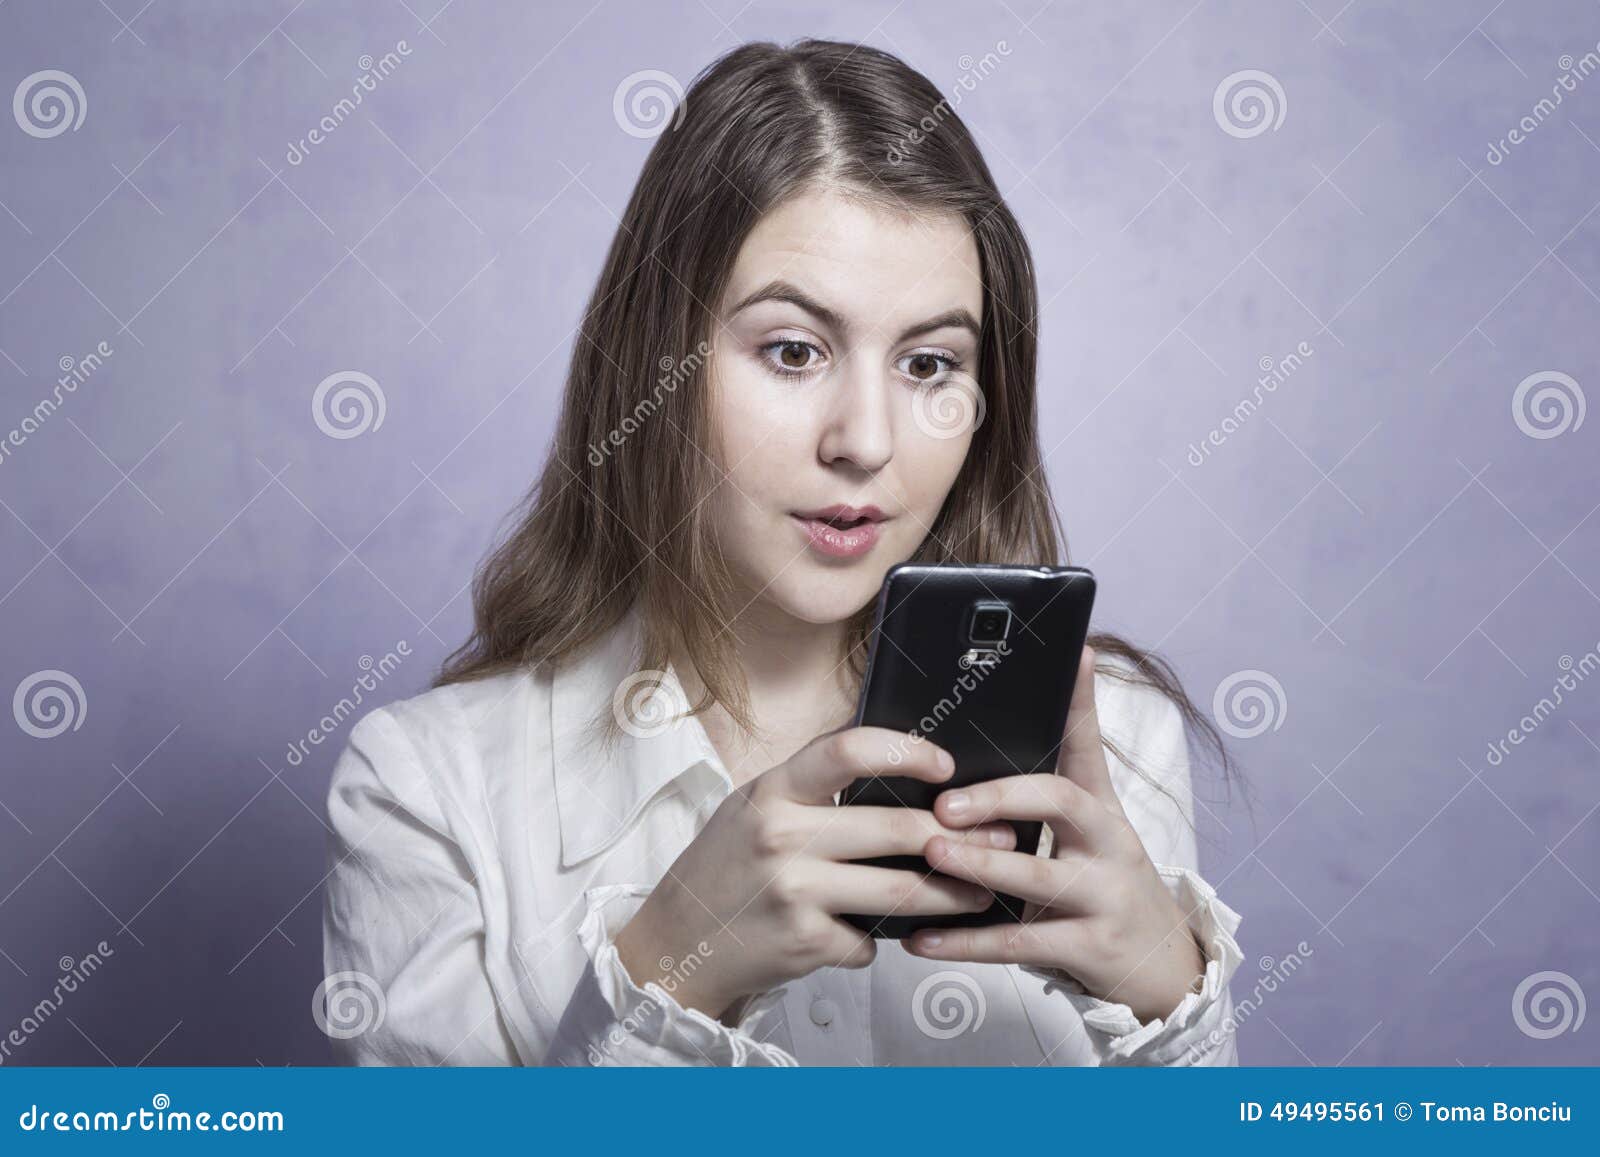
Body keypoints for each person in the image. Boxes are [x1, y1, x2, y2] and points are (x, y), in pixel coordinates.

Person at [322, 37, 1245, 1066]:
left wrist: (1170, 1003)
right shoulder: (427, 787)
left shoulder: (1113, 743)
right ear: (655, 360)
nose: (866, 440)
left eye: (929, 363)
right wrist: (669, 968)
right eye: (793, 350)